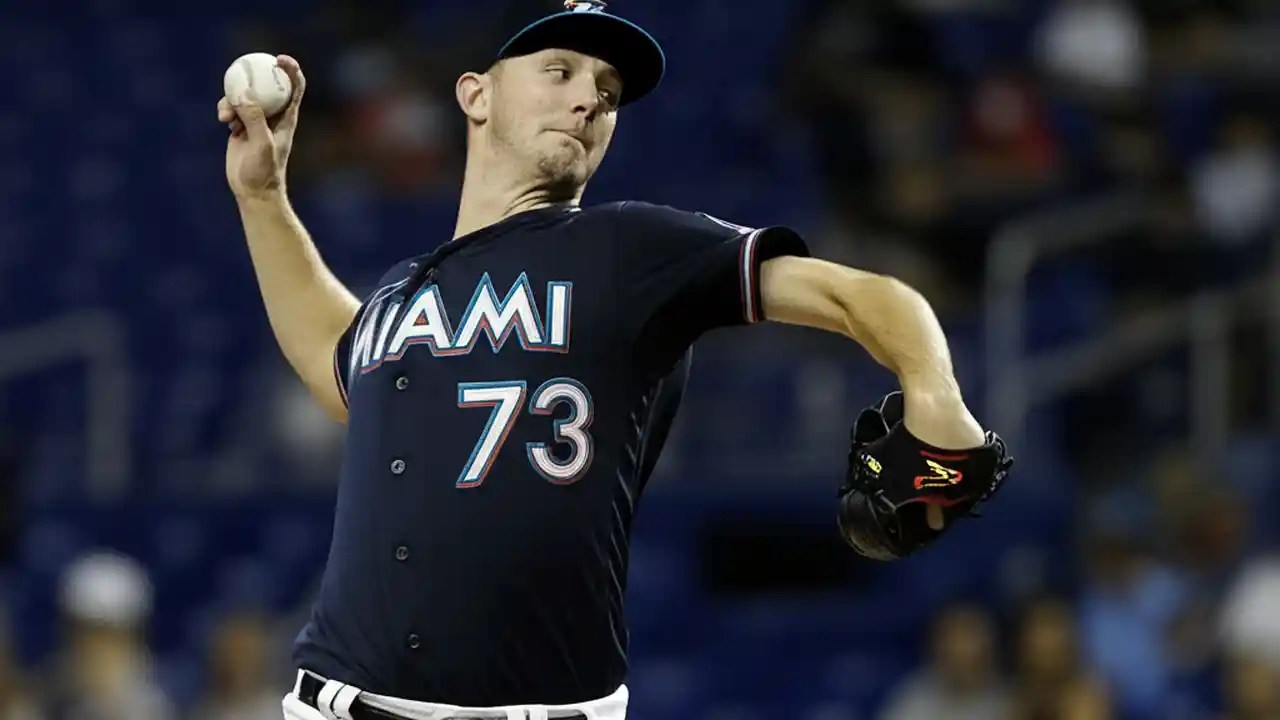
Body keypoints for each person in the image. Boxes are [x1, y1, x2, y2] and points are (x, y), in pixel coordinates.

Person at [216, 2, 1008, 718]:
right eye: (558, 71)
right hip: (333, 703)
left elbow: (858, 297)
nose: (589, 96)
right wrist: (262, 197)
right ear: (475, 96)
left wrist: (935, 388)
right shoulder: (403, 291)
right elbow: (332, 360)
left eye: (607, 89)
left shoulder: (631, 249)